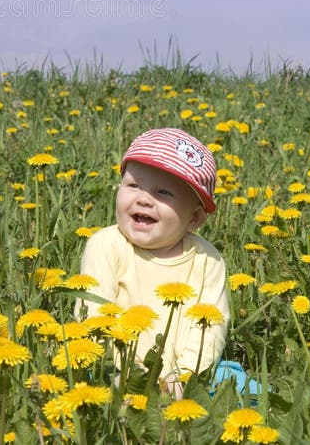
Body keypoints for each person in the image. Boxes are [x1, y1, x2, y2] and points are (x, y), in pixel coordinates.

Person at [78, 127, 229, 391]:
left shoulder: (208, 260)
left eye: (163, 193)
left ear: (194, 218)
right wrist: (124, 371)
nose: (144, 199)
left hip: (186, 372)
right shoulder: (105, 245)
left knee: (238, 385)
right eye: (133, 185)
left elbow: (211, 328)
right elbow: (94, 315)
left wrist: (184, 375)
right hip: (114, 366)